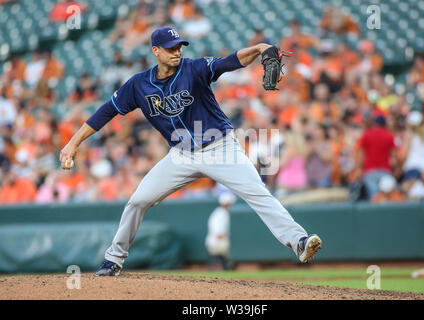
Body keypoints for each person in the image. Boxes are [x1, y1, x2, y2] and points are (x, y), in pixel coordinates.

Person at [59, 26, 322, 276]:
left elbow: (229, 61)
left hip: (220, 147)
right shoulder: (138, 85)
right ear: (156, 51)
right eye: (171, 47)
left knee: (258, 194)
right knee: (138, 201)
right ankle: (114, 259)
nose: (177, 51)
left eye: (180, 46)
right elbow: (106, 112)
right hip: (181, 156)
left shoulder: (194, 68)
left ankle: (298, 241)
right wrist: (73, 143)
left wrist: (258, 48)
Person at [205, 192, 236, 270]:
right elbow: (219, 235)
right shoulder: (219, 214)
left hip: (220, 242)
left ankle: (229, 267)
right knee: (236, 245)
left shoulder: (226, 213)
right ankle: (228, 267)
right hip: (215, 243)